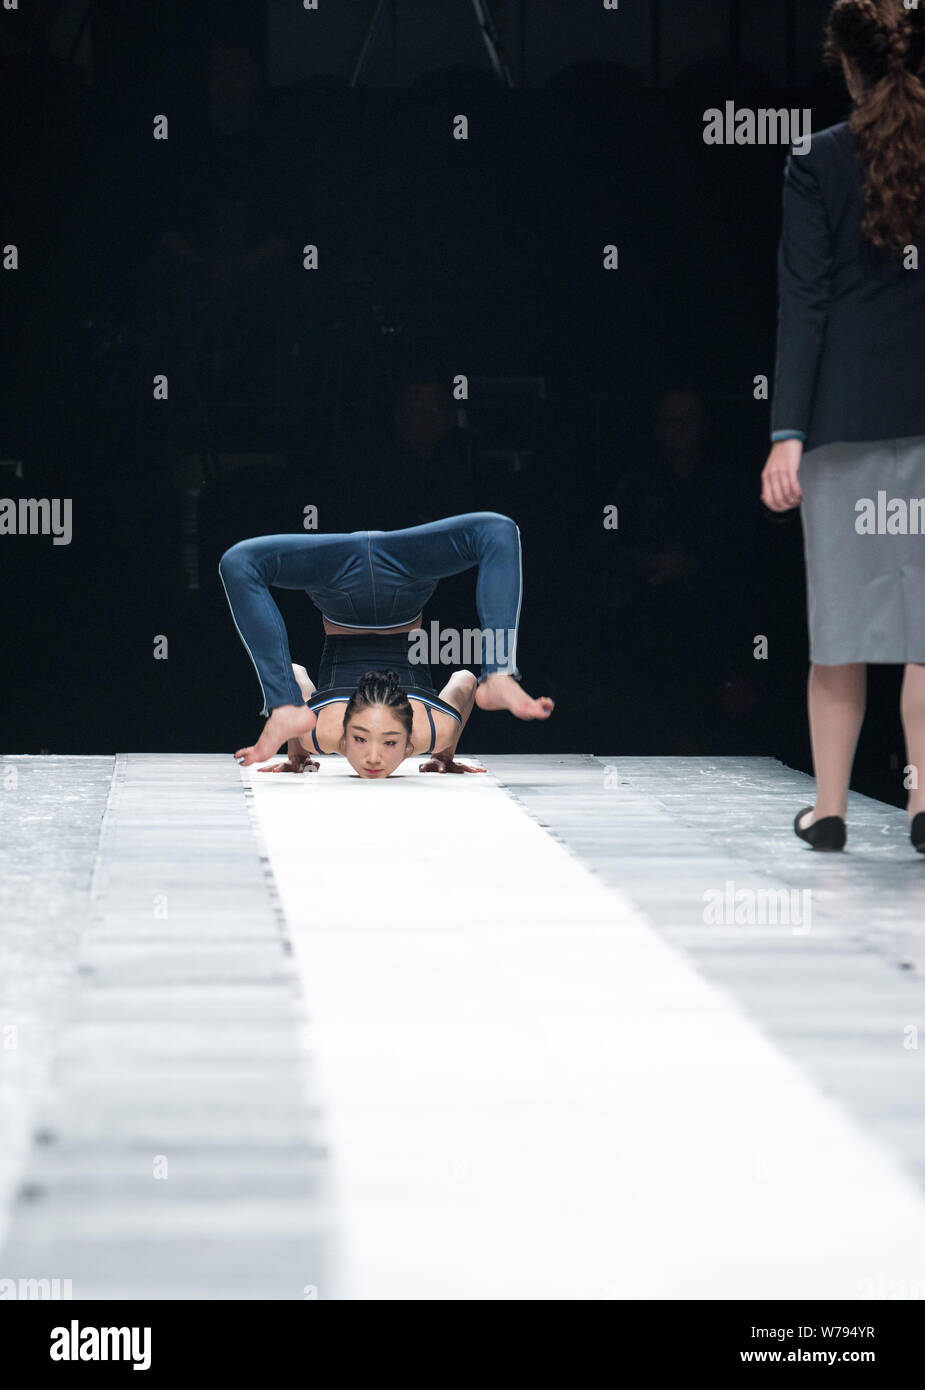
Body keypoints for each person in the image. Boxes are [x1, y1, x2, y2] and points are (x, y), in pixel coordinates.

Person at [761, 0, 925, 852]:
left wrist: (785, 430)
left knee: (841, 633)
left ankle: (829, 812)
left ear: (847, 67)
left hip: (841, 425)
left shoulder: (816, 159)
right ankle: (924, 799)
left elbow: (804, 303)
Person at [218, 512, 554, 778]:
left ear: (343, 734)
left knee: (239, 561)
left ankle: (498, 675)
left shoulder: (319, 734)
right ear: (411, 742)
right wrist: (442, 756)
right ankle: (498, 674)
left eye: (364, 738)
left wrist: (297, 749)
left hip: (338, 584)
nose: (373, 757)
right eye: (370, 739)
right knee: (497, 529)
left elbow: (293, 674)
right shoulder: (435, 732)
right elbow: (466, 680)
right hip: (404, 580)